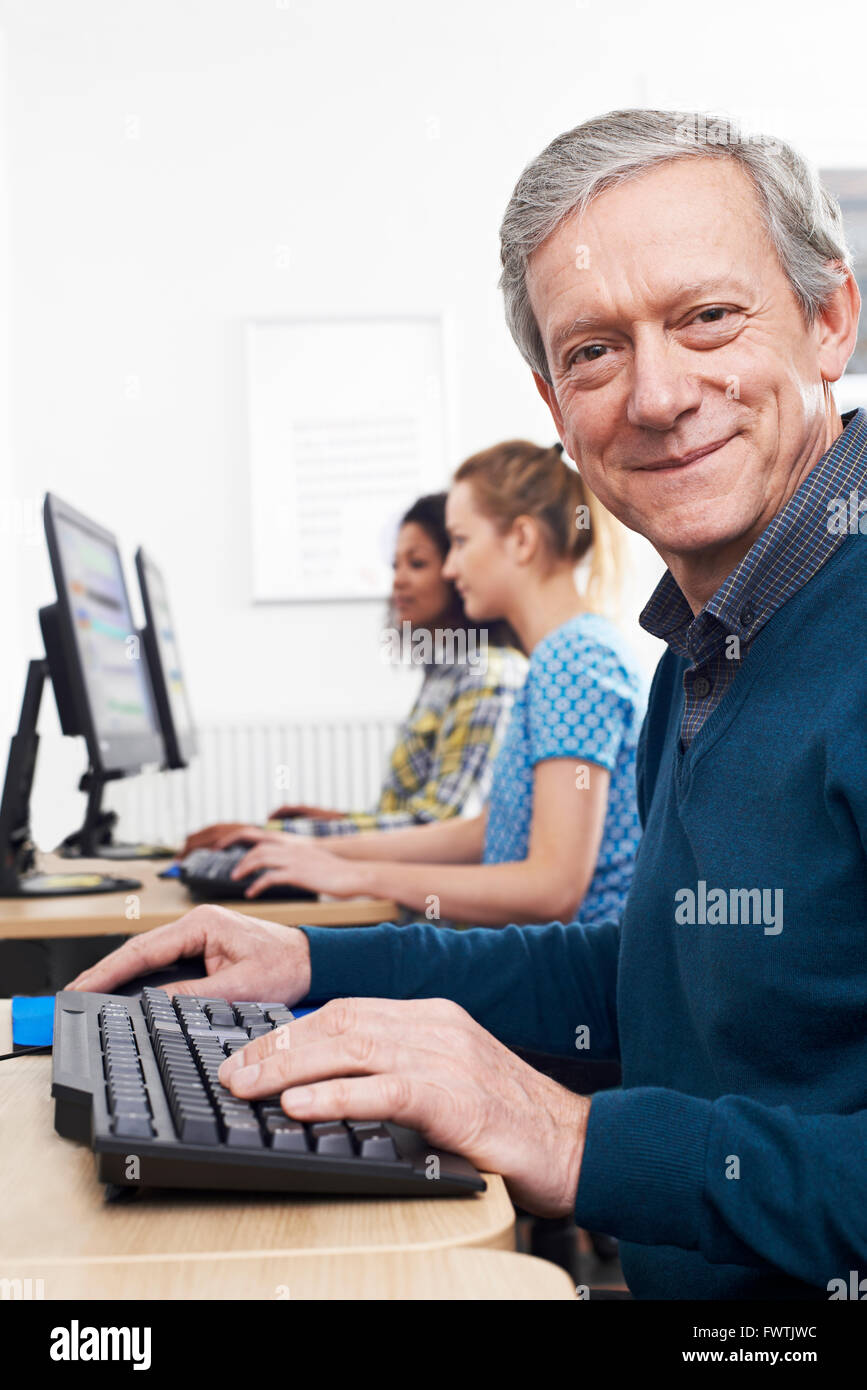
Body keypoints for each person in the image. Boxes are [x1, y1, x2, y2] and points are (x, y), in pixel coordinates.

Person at [69, 107, 867, 1300]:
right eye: (594, 350)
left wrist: (565, 1137)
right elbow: (657, 985)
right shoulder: (700, 653)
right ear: (554, 403)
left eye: (707, 316)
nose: (656, 394)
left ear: (829, 321)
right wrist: (309, 966)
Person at [203, 440, 645, 927]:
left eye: (459, 541)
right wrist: (317, 850)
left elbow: (551, 889)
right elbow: (485, 832)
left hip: (574, 976)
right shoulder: (559, 655)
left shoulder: (574, 657)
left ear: (521, 540)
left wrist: (361, 877)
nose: (451, 568)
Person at [183, 491, 527, 844]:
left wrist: (275, 836)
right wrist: (334, 822)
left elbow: (440, 829)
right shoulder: (446, 671)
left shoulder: (487, 673)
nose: (398, 580)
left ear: (456, 569)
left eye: (417, 563)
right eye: (395, 565)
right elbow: (417, 816)